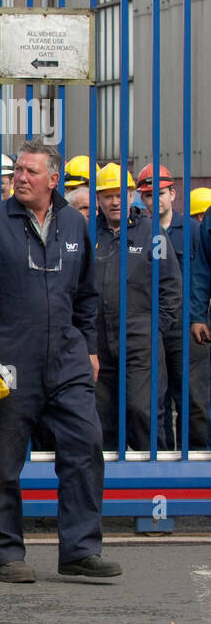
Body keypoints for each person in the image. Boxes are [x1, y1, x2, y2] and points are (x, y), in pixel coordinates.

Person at [0, 140, 119, 582]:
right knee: (2, 463)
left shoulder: (75, 225)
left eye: (30, 172)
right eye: (17, 171)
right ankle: (5, 554)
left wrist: (91, 349)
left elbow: (87, 296)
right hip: (7, 361)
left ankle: (80, 550)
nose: (20, 178)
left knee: (84, 448)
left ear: (53, 179)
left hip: (67, 360)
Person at [93, 164, 180, 452]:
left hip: (141, 338)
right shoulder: (86, 234)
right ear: (98, 200)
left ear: (131, 195)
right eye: (107, 195)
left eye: (120, 194)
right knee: (101, 419)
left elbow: (170, 285)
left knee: (143, 412)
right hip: (97, 341)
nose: (114, 201)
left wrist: (154, 329)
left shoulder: (152, 233)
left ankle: (155, 481)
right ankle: (103, 486)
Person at [138, 165, 208, 450]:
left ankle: (196, 456)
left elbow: (202, 273)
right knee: (157, 398)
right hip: (149, 322)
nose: (155, 201)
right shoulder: (140, 230)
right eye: (148, 196)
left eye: (161, 194)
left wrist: (197, 315)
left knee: (192, 396)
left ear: (172, 194)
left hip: (183, 323)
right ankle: (162, 456)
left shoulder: (192, 229)